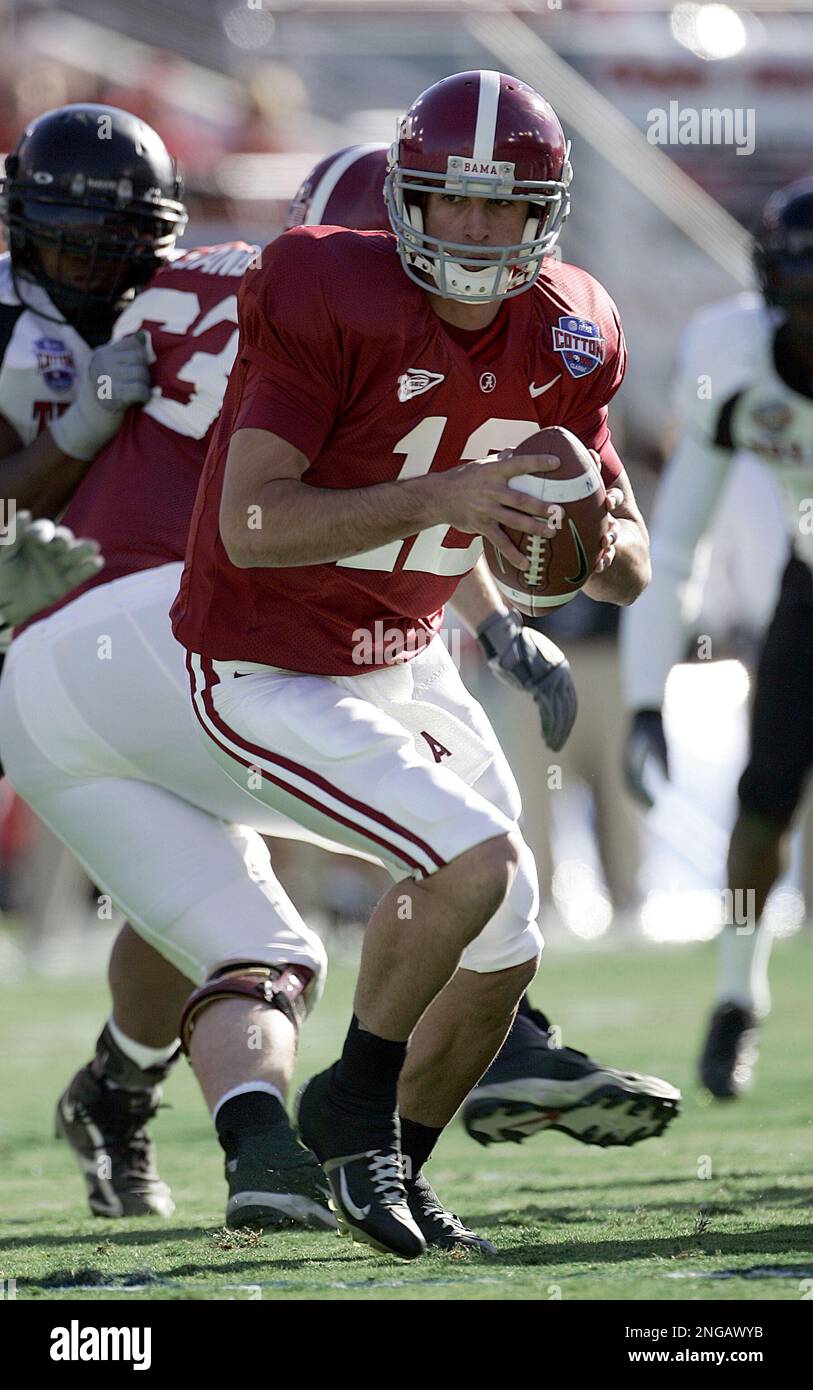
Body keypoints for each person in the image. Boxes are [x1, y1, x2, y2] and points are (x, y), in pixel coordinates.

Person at [170, 70, 654, 1260]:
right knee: (472, 861)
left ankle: (394, 1167)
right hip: (267, 659)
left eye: (505, 207)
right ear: (405, 200)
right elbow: (252, 525)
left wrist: (572, 543)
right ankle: (349, 1103)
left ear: (548, 210)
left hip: (407, 656)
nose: (479, 231)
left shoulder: (576, 323)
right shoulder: (327, 288)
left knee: (506, 944)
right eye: (452, 203)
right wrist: (449, 496)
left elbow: (629, 564)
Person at [621, 178, 813, 1099]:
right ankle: (737, 995)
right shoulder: (729, 355)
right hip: (809, 586)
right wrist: (645, 696)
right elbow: (680, 543)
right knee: (761, 801)